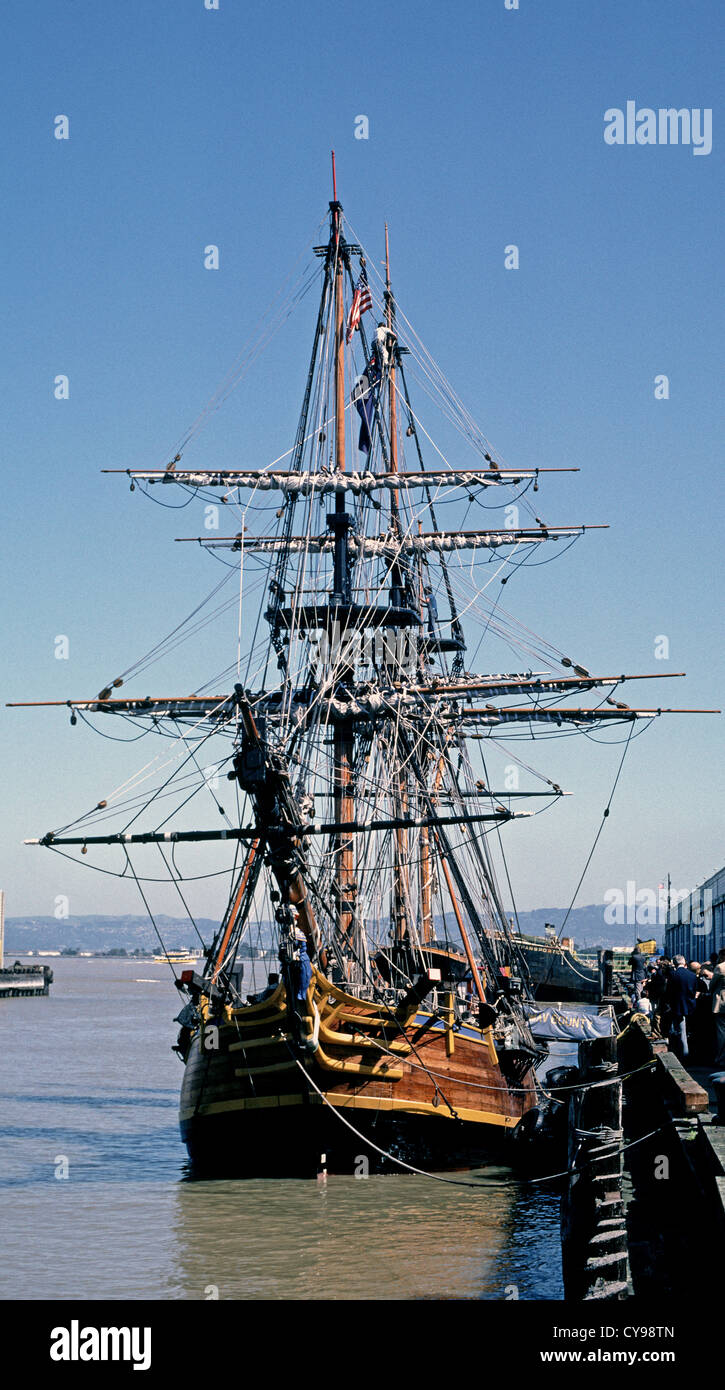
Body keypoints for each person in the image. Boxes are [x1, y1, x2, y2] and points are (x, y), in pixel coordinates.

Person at [668, 955, 698, 1061]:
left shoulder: (673, 975)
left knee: (681, 1032)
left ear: (674, 963)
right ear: (684, 962)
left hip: (677, 1007)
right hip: (691, 1006)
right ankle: (693, 1054)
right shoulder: (692, 975)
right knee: (691, 1031)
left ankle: (684, 1054)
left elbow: (669, 992)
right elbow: (694, 991)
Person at [711, 949, 725, 1069]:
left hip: (721, 1004)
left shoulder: (720, 967)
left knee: (721, 1033)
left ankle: (720, 1059)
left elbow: (712, 986)